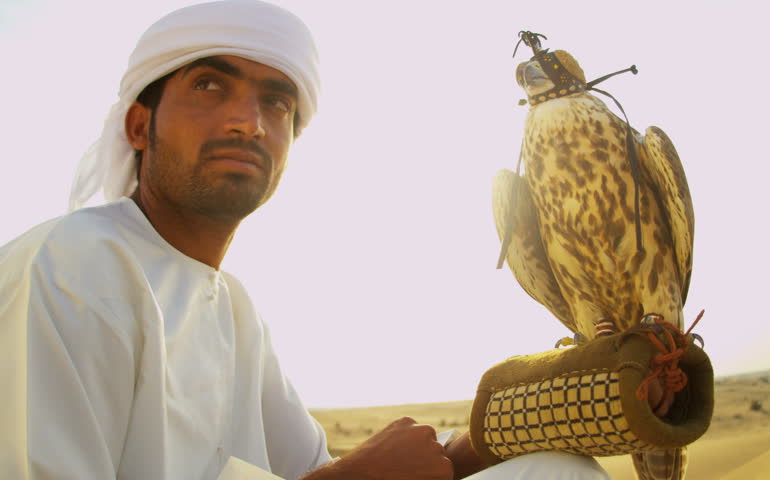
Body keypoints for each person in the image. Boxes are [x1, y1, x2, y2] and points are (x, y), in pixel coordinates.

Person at [0, 1, 613, 479]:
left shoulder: (235, 310)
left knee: (557, 470)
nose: (249, 121)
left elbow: (315, 472)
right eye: (211, 86)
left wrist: (518, 424)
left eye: (277, 101)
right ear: (140, 125)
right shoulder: (68, 267)